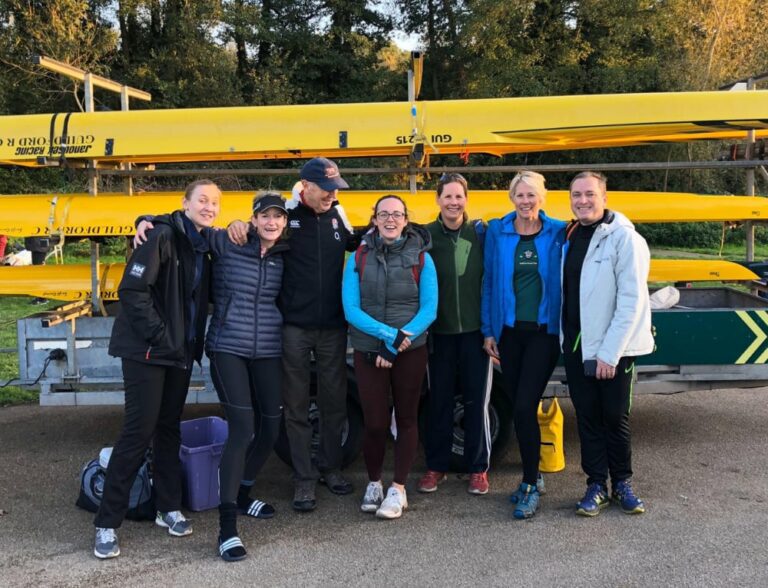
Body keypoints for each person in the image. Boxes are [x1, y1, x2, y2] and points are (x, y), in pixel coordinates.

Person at [136, 192, 289, 562]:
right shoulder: (226, 240)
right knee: (242, 428)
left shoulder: (287, 251)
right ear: (252, 219)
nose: (271, 223)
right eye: (264, 216)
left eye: (278, 217)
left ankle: (242, 493)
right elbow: (186, 226)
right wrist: (147, 219)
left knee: (271, 426)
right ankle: (226, 530)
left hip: (268, 346)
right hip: (227, 347)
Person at [93, 179, 220, 559]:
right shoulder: (161, 235)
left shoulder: (203, 246)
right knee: (138, 431)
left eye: (215, 202)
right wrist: (162, 336)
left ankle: (168, 507)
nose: (209, 207)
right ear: (184, 203)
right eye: (202, 200)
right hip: (150, 351)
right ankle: (105, 523)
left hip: (179, 353)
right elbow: (132, 291)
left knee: (168, 430)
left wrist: (179, 344)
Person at [228, 157, 358, 511]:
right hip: (293, 328)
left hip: (333, 326)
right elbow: (255, 230)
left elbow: (357, 241)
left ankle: (331, 468)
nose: (333, 194)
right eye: (327, 189)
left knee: (334, 402)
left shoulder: (337, 213)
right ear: (307, 186)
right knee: (297, 405)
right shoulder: (285, 214)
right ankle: (303, 479)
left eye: (336, 188)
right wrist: (236, 222)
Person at [562, 171, 654, 517]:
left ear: (604, 197)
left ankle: (623, 483)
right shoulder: (570, 235)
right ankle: (596, 484)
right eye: (576, 195)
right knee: (587, 417)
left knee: (615, 416)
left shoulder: (624, 239)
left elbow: (631, 301)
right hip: (577, 345)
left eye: (589, 194)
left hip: (615, 349)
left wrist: (609, 353)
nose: (582, 201)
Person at [342, 194, 437, 519]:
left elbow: (429, 309)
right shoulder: (358, 257)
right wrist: (387, 337)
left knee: (407, 419)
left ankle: (398, 488)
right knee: (375, 422)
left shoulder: (422, 258)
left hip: (410, 350)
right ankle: (373, 482)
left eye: (397, 214)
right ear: (375, 219)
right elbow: (351, 309)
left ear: (406, 220)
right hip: (371, 350)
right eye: (384, 214)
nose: (391, 220)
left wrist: (396, 344)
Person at [481, 171, 565, 519]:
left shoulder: (559, 231)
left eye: (532, 195)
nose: (526, 201)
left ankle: (530, 483)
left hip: (544, 333)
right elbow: (488, 283)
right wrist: (488, 330)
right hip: (509, 332)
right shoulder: (498, 232)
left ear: (542, 198)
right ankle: (535, 473)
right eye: (520, 195)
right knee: (520, 406)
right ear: (511, 198)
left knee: (524, 404)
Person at [417, 173, 493, 496]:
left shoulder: (481, 234)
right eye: (447, 196)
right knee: (440, 403)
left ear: (466, 199)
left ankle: (478, 469)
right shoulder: (425, 236)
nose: (453, 202)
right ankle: (437, 466)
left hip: (476, 334)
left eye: (458, 197)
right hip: (440, 334)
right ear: (437, 200)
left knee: (478, 403)